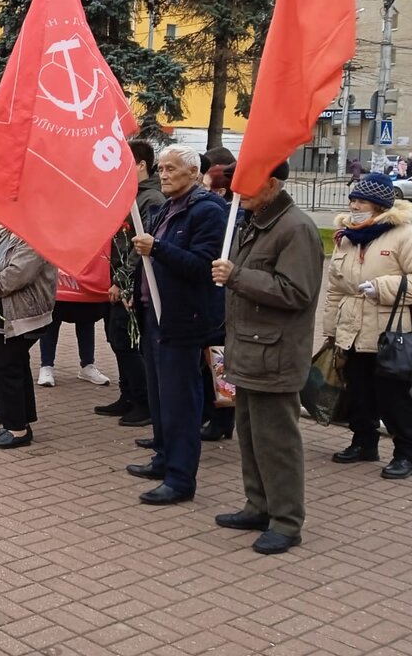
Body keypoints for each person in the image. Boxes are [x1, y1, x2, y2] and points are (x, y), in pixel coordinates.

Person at [211, 161, 324, 554]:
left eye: (248, 182)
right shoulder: (257, 220)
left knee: (277, 441)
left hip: (275, 353)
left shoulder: (295, 228)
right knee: (251, 436)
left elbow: (297, 291)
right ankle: (258, 504)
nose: (239, 190)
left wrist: (236, 276)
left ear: (272, 183)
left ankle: (287, 520)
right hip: (250, 349)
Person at [128, 146, 228, 504]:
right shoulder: (166, 208)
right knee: (159, 395)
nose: (164, 174)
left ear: (193, 172)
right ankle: (164, 457)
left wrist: (156, 249)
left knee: (180, 400)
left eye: (171, 169)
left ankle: (181, 477)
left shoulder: (208, 212)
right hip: (154, 314)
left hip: (184, 318)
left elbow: (203, 267)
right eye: (161, 168)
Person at [322, 172, 412, 479]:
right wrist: (331, 328)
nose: (355, 205)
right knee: (358, 389)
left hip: (390, 330)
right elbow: (335, 287)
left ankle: (405, 452)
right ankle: (364, 442)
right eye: (353, 199)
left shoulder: (403, 234)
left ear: (379, 205)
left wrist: (384, 286)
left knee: (392, 394)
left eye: (362, 200)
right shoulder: (346, 236)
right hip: (351, 327)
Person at [0, 217, 57, 449]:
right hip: (3, 311)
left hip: (24, 313)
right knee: (14, 365)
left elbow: (18, 274)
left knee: (6, 366)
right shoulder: (12, 231)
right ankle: (19, 421)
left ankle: (17, 430)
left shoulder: (36, 237)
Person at [101, 140, 166, 428]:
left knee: (127, 342)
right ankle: (127, 395)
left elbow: (139, 249)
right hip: (120, 281)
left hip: (132, 285)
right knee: (116, 339)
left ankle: (144, 402)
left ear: (141, 164)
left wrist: (122, 282)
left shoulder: (151, 199)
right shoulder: (130, 194)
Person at [199, 163, 240, 442]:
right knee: (210, 359)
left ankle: (223, 418)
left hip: (223, 302)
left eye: (206, 186)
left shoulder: (230, 215)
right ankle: (213, 415)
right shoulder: (225, 213)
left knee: (219, 360)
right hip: (210, 299)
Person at [36, 259, 112, 388]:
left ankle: (87, 365)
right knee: (51, 322)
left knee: (86, 321)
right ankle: (46, 366)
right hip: (57, 278)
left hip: (84, 277)